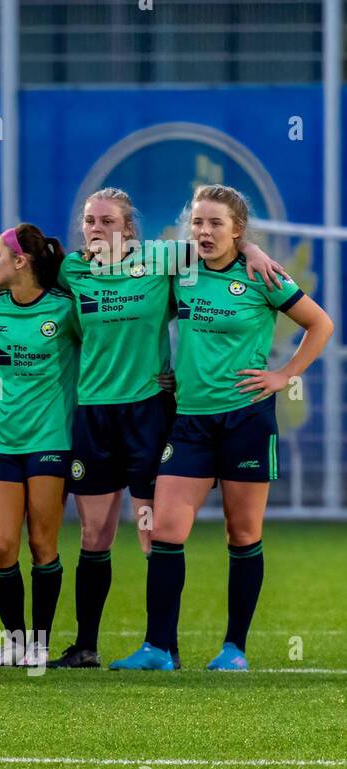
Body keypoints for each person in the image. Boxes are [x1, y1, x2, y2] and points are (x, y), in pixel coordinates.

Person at [0, 189, 289, 667]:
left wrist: (253, 249)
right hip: (93, 416)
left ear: (128, 228)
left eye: (107, 221)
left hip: (147, 414)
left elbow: (216, 242)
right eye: (90, 220)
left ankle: (162, 645)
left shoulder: (161, 259)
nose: (96, 228)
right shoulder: (73, 269)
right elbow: (23, 272)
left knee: (152, 532)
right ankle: (86, 647)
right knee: (94, 534)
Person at [111, 185, 334, 671]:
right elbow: (134, 296)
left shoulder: (262, 275)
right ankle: (159, 648)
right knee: (165, 530)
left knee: (242, 532)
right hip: (190, 420)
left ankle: (234, 649)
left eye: (216, 223)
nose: (204, 231)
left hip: (246, 419)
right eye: (198, 222)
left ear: (237, 230)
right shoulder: (179, 271)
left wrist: (284, 375)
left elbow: (320, 325)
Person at [0, 224, 78, 667]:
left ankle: (40, 643)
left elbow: (105, 349)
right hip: (2, 439)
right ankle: (14, 641)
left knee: (41, 544)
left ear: (21, 261)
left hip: (51, 439)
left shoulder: (66, 309)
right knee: (1, 547)